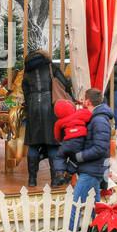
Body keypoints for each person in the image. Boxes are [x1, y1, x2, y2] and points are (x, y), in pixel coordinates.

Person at [64, 89, 115, 232]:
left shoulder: (99, 120)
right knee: (96, 207)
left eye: (83, 99)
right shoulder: (97, 118)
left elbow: (100, 148)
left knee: (75, 204)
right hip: (93, 168)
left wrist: (80, 156)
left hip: (91, 169)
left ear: (87, 102)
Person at [21, 48, 74, 188]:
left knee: (33, 145)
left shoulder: (27, 71)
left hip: (33, 107)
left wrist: (30, 103)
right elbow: (65, 83)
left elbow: (25, 90)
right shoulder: (51, 67)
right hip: (50, 107)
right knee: (53, 144)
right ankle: (54, 179)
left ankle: (32, 179)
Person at [53, 99, 91, 187]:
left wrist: (59, 140)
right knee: (75, 159)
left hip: (67, 142)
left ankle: (60, 174)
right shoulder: (80, 113)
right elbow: (89, 115)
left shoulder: (59, 122)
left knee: (59, 157)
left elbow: (57, 136)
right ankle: (69, 175)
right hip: (80, 142)